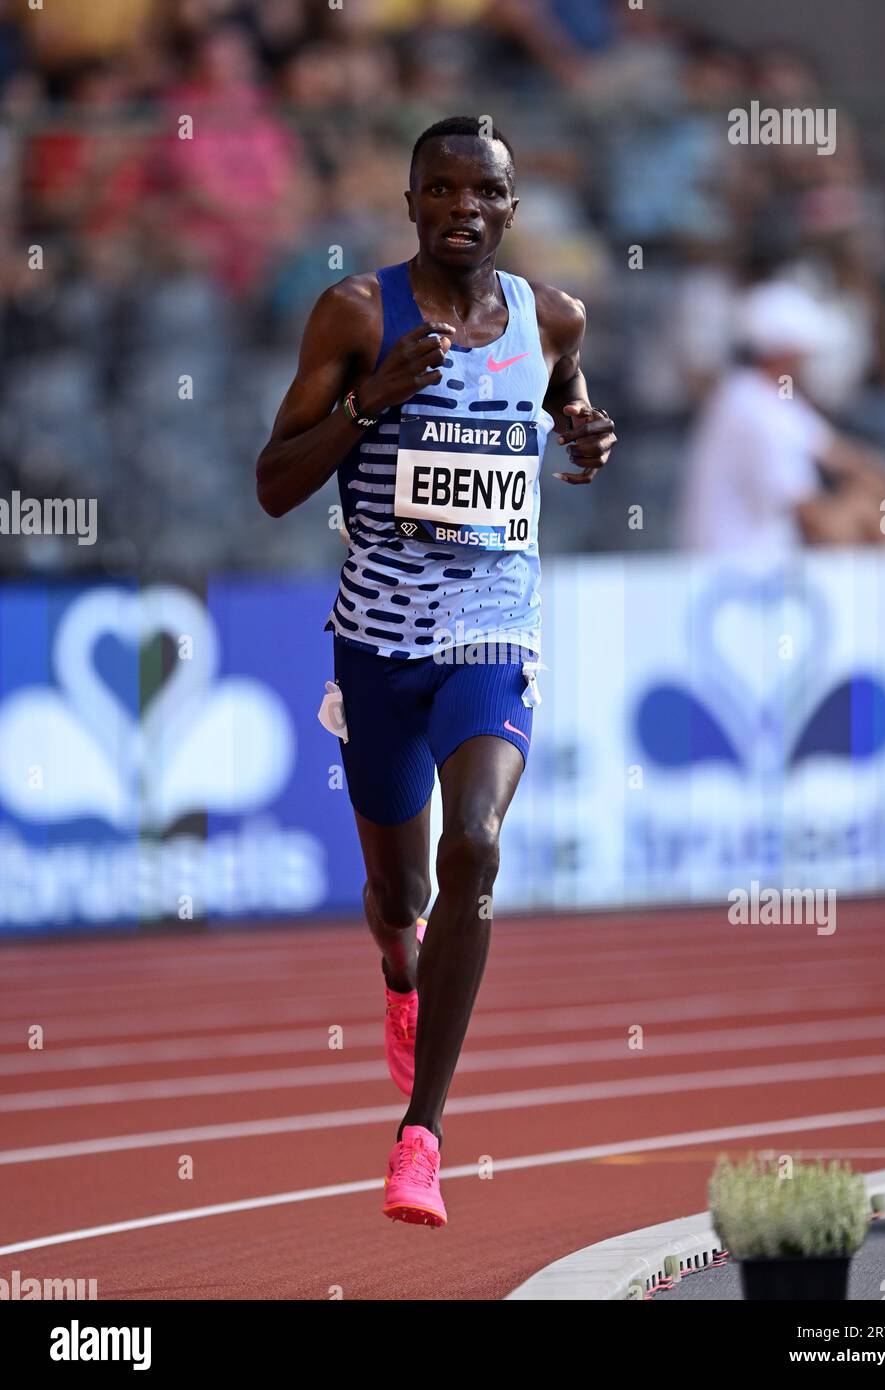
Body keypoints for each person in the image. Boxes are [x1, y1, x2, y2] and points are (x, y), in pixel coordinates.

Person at [256, 115, 615, 1226]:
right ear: (410, 204)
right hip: (375, 642)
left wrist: (584, 437)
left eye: (487, 192)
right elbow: (272, 482)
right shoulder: (358, 314)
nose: (465, 207)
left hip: (490, 631)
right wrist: (372, 401)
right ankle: (398, 972)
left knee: (475, 845)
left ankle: (422, 1134)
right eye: (442, 189)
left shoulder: (552, 317)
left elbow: (563, 406)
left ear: (511, 209)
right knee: (397, 895)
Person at [677, 280, 885, 553]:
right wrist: (874, 517)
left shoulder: (761, 398)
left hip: (755, 571)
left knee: (870, 497)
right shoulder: (755, 411)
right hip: (742, 574)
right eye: (806, 355)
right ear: (786, 356)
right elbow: (814, 521)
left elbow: (847, 458)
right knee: (868, 509)